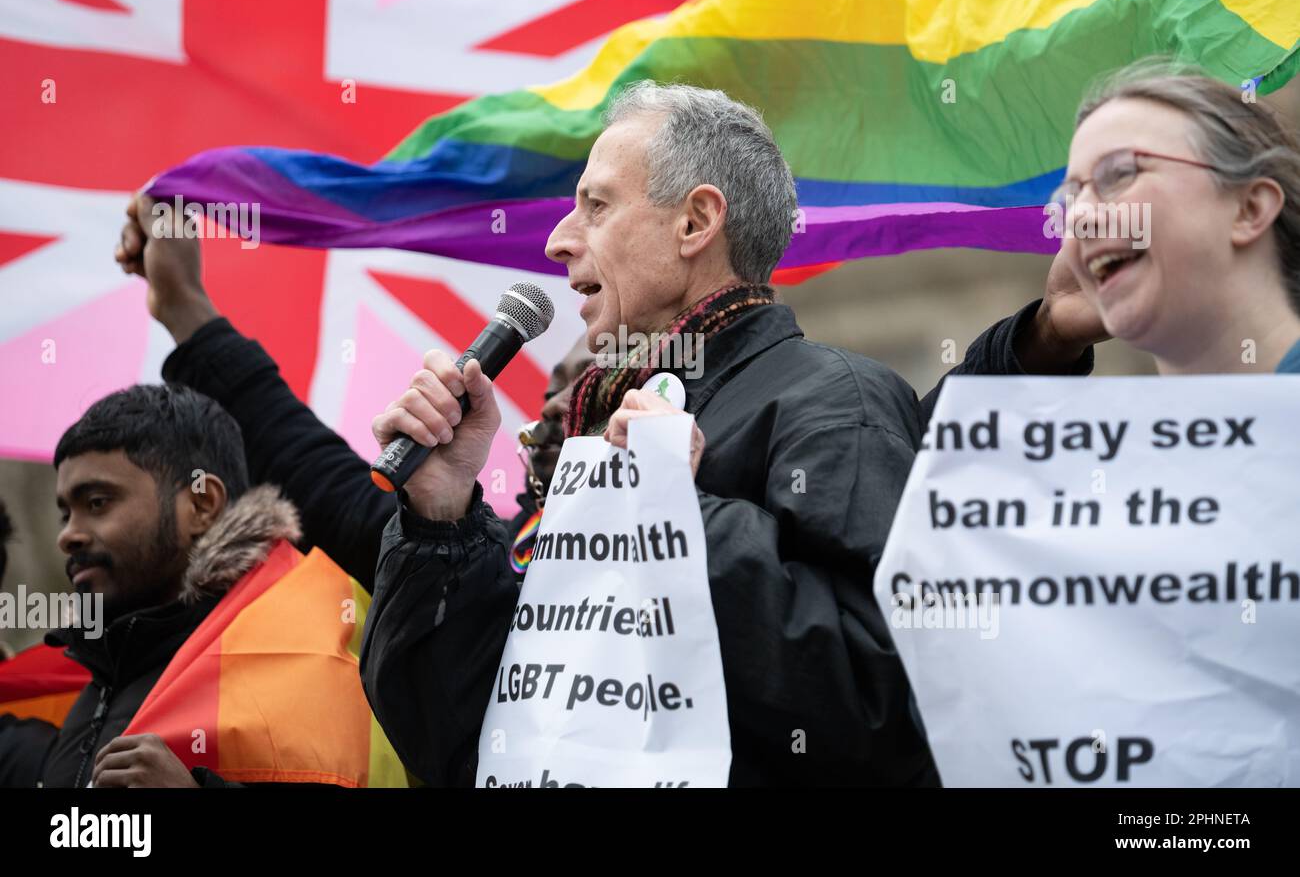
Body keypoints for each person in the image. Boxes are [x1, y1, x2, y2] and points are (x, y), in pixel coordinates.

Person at [359, 80, 1108, 786]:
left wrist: (687, 519)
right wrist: (441, 517)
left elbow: (878, 706)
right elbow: (457, 744)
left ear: (695, 222)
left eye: (595, 206)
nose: (558, 241)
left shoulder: (834, 399)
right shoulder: (591, 443)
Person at [112, 199, 596, 590]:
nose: (556, 405)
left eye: (587, 382)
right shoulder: (499, 557)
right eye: (552, 388)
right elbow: (324, 485)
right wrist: (185, 309)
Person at [0, 384, 403, 787]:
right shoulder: (95, 673)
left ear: (201, 504)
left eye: (98, 503)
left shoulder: (312, 655)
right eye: (65, 514)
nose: (68, 536)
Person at [1058, 60, 1300, 373]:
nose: (1079, 217)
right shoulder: (1117, 422)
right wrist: (1043, 339)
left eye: (1120, 174)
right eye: (1071, 195)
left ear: (1248, 209)